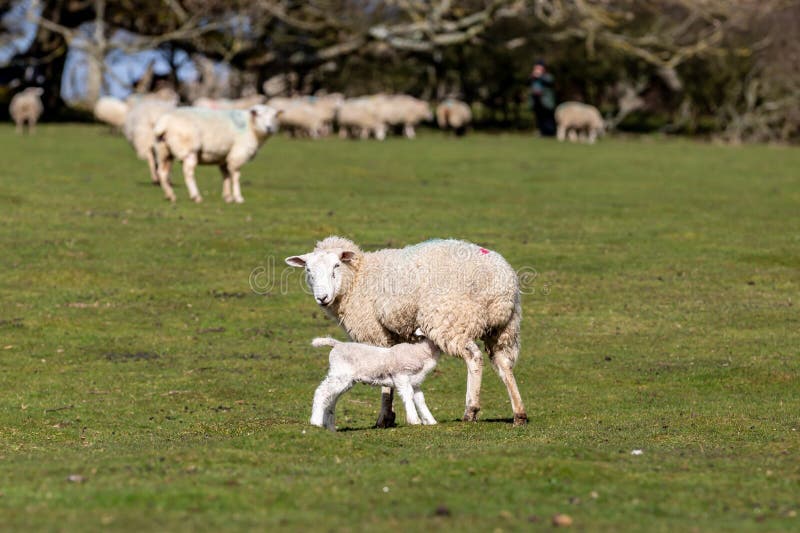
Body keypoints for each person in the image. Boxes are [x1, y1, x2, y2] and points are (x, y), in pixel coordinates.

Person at [529, 60, 556, 136]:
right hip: (536, 101)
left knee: (548, 119)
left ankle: (550, 133)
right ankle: (542, 132)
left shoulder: (548, 76)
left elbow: (550, 81)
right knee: (539, 118)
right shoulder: (533, 78)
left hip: (546, 103)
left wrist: (540, 76)